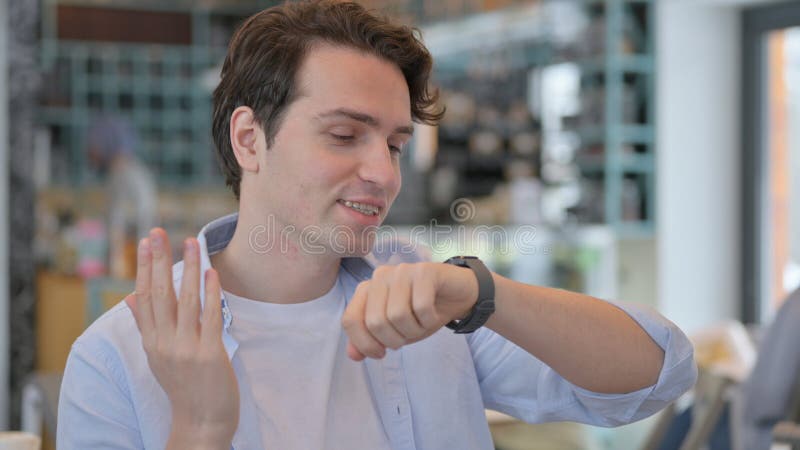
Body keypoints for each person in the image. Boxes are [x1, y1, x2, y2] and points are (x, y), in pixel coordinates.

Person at [57, 2, 697, 449]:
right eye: (344, 135)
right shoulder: (117, 357)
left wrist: (478, 294)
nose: (383, 174)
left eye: (393, 144)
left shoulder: (429, 308)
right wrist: (198, 429)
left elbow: (657, 374)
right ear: (250, 140)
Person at [86, 115, 158, 278]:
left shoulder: (123, 176)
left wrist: (116, 262)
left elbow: (119, 223)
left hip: (132, 269)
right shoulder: (133, 172)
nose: (91, 151)